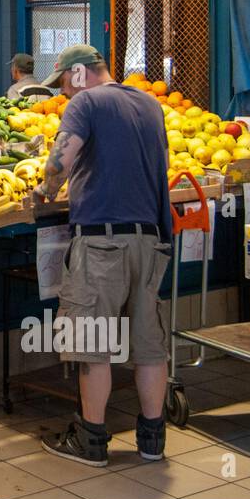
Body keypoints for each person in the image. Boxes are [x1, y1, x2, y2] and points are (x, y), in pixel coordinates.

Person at [32, 43, 173, 467]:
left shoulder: (87, 103)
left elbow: (61, 159)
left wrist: (43, 192)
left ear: (79, 73)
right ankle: (152, 439)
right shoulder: (150, 105)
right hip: (149, 240)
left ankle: (90, 440)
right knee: (149, 345)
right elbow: (160, 165)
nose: (63, 93)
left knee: (92, 344)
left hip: (101, 242)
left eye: (63, 83)